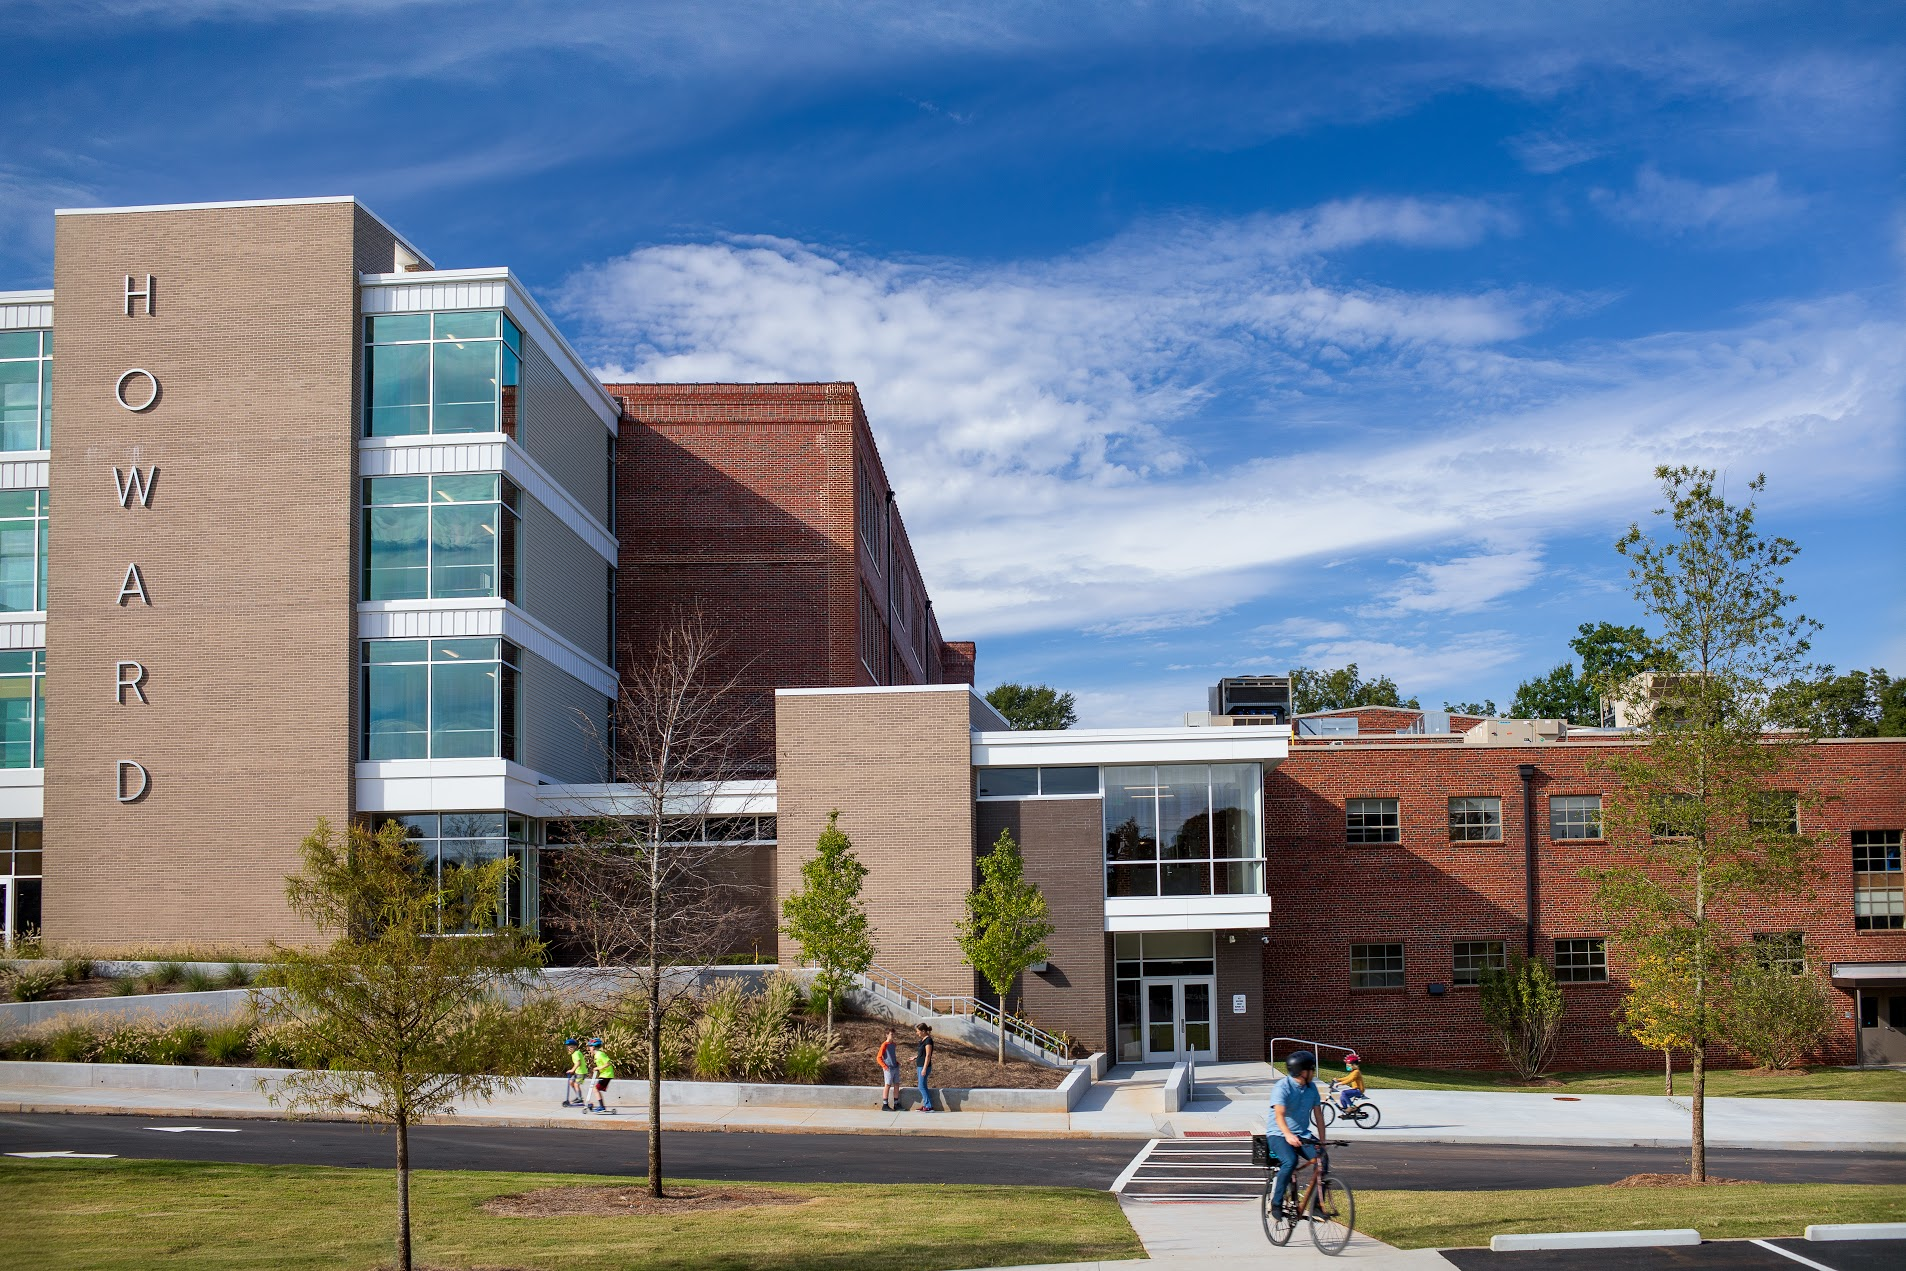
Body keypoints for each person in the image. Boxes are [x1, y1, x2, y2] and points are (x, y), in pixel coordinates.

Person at [1267, 1050, 1328, 1217]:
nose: (1313, 1072)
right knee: (1290, 1161)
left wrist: (1322, 1141)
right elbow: (1279, 1115)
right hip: (1278, 1134)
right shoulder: (1282, 1087)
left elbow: (1318, 1115)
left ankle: (1316, 1205)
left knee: (1322, 1159)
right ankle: (1277, 1203)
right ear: (1302, 1071)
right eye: (1311, 1069)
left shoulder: (1311, 1088)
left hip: (1303, 1134)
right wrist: (1287, 1135)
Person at [583, 1037, 616, 1115]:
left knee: (595, 1089)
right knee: (596, 1089)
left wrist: (598, 1068)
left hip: (607, 1075)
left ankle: (602, 1107)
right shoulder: (596, 1055)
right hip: (604, 1074)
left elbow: (608, 1063)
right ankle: (601, 1106)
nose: (589, 1048)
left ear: (593, 1047)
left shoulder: (600, 1054)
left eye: (590, 1046)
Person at [876, 1028, 901, 1111]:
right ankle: (885, 1104)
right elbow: (879, 1057)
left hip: (895, 1067)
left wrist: (896, 1062)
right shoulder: (884, 1045)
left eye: (893, 1034)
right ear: (887, 1035)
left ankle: (896, 1104)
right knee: (888, 1085)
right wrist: (884, 1066)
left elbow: (892, 1056)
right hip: (888, 1068)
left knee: (896, 1084)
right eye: (891, 1034)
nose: (892, 1036)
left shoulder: (894, 1044)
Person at [913, 1023, 936, 1112]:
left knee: (921, 1086)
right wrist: (915, 1057)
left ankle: (929, 1106)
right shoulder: (923, 1040)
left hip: (924, 1066)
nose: (917, 1033)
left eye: (918, 1031)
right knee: (923, 1086)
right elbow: (921, 1054)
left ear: (923, 1031)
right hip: (920, 1065)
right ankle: (927, 1104)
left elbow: (928, 1055)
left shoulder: (928, 1041)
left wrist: (925, 1068)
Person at [562, 1037, 587, 1108]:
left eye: (571, 1047)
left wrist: (572, 1070)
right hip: (577, 1072)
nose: (569, 1049)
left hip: (581, 1072)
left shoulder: (576, 1053)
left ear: (575, 1047)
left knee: (576, 1085)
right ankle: (578, 1097)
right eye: (568, 1047)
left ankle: (580, 1099)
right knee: (571, 1082)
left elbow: (578, 1063)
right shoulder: (574, 1054)